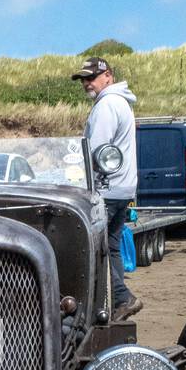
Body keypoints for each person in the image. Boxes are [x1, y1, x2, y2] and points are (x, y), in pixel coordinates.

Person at [72, 57, 140, 322]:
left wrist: (78, 173)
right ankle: (117, 303)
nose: (87, 83)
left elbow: (96, 149)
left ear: (108, 76)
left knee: (93, 248)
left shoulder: (107, 104)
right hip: (122, 188)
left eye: (91, 78)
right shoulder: (120, 102)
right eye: (84, 80)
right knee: (110, 247)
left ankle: (113, 300)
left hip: (106, 189)